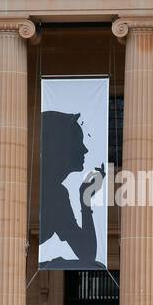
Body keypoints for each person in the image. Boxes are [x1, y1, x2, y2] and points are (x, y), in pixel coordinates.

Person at [38, 111, 105, 268]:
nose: (84, 150)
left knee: (96, 266)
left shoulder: (57, 193)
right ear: (59, 145)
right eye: (78, 141)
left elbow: (87, 253)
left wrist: (85, 199)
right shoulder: (42, 188)